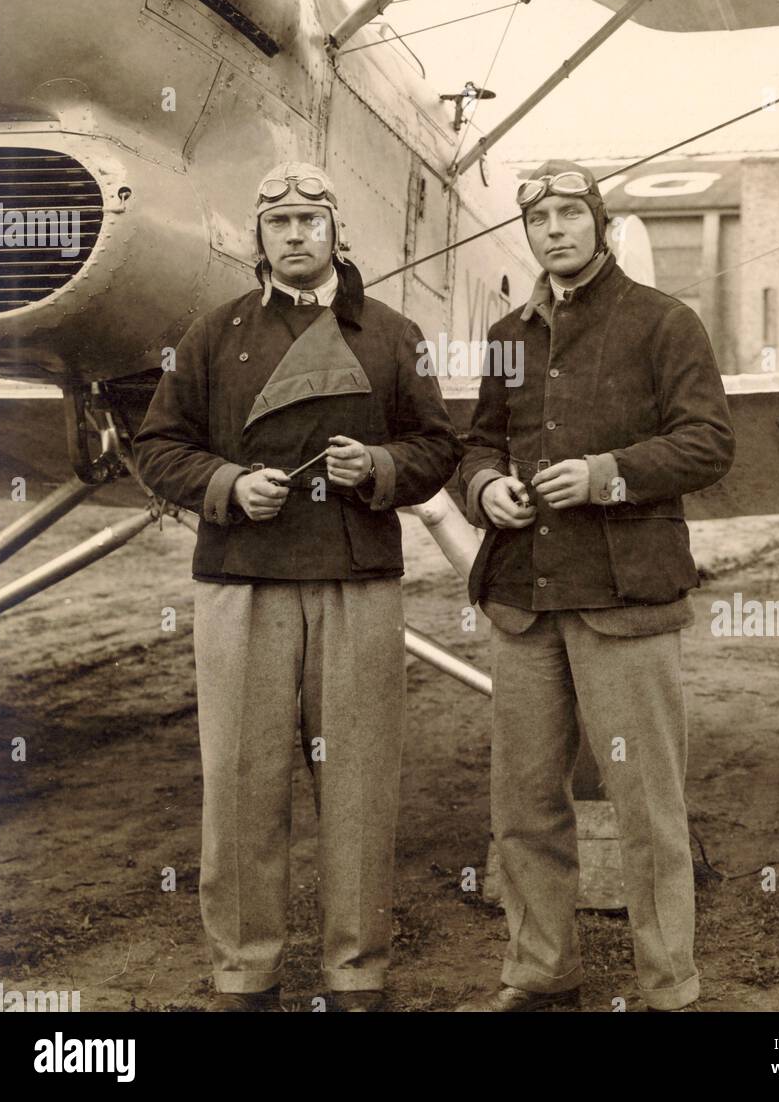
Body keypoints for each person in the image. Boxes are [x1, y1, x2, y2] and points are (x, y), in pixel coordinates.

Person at [134, 162, 459, 1013]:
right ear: (259, 236)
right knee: (240, 782)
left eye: (310, 219)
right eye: (277, 220)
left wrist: (382, 465)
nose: (294, 234)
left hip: (355, 581)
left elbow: (439, 448)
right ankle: (246, 973)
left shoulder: (392, 334)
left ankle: (357, 973)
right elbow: (158, 448)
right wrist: (228, 487)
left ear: (335, 231)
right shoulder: (212, 334)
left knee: (357, 783)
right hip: (241, 583)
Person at [457, 160, 735, 1013]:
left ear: (600, 224)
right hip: (523, 601)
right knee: (525, 803)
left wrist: (608, 474)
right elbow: (476, 443)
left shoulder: (664, 323)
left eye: (571, 215)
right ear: (529, 235)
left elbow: (709, 445)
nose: (556, 231)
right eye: (540, 220)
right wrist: (483, 487)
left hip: (625, 603)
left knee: (647, 805)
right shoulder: (508, 334)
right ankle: (543, 973)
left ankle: (669, 986)